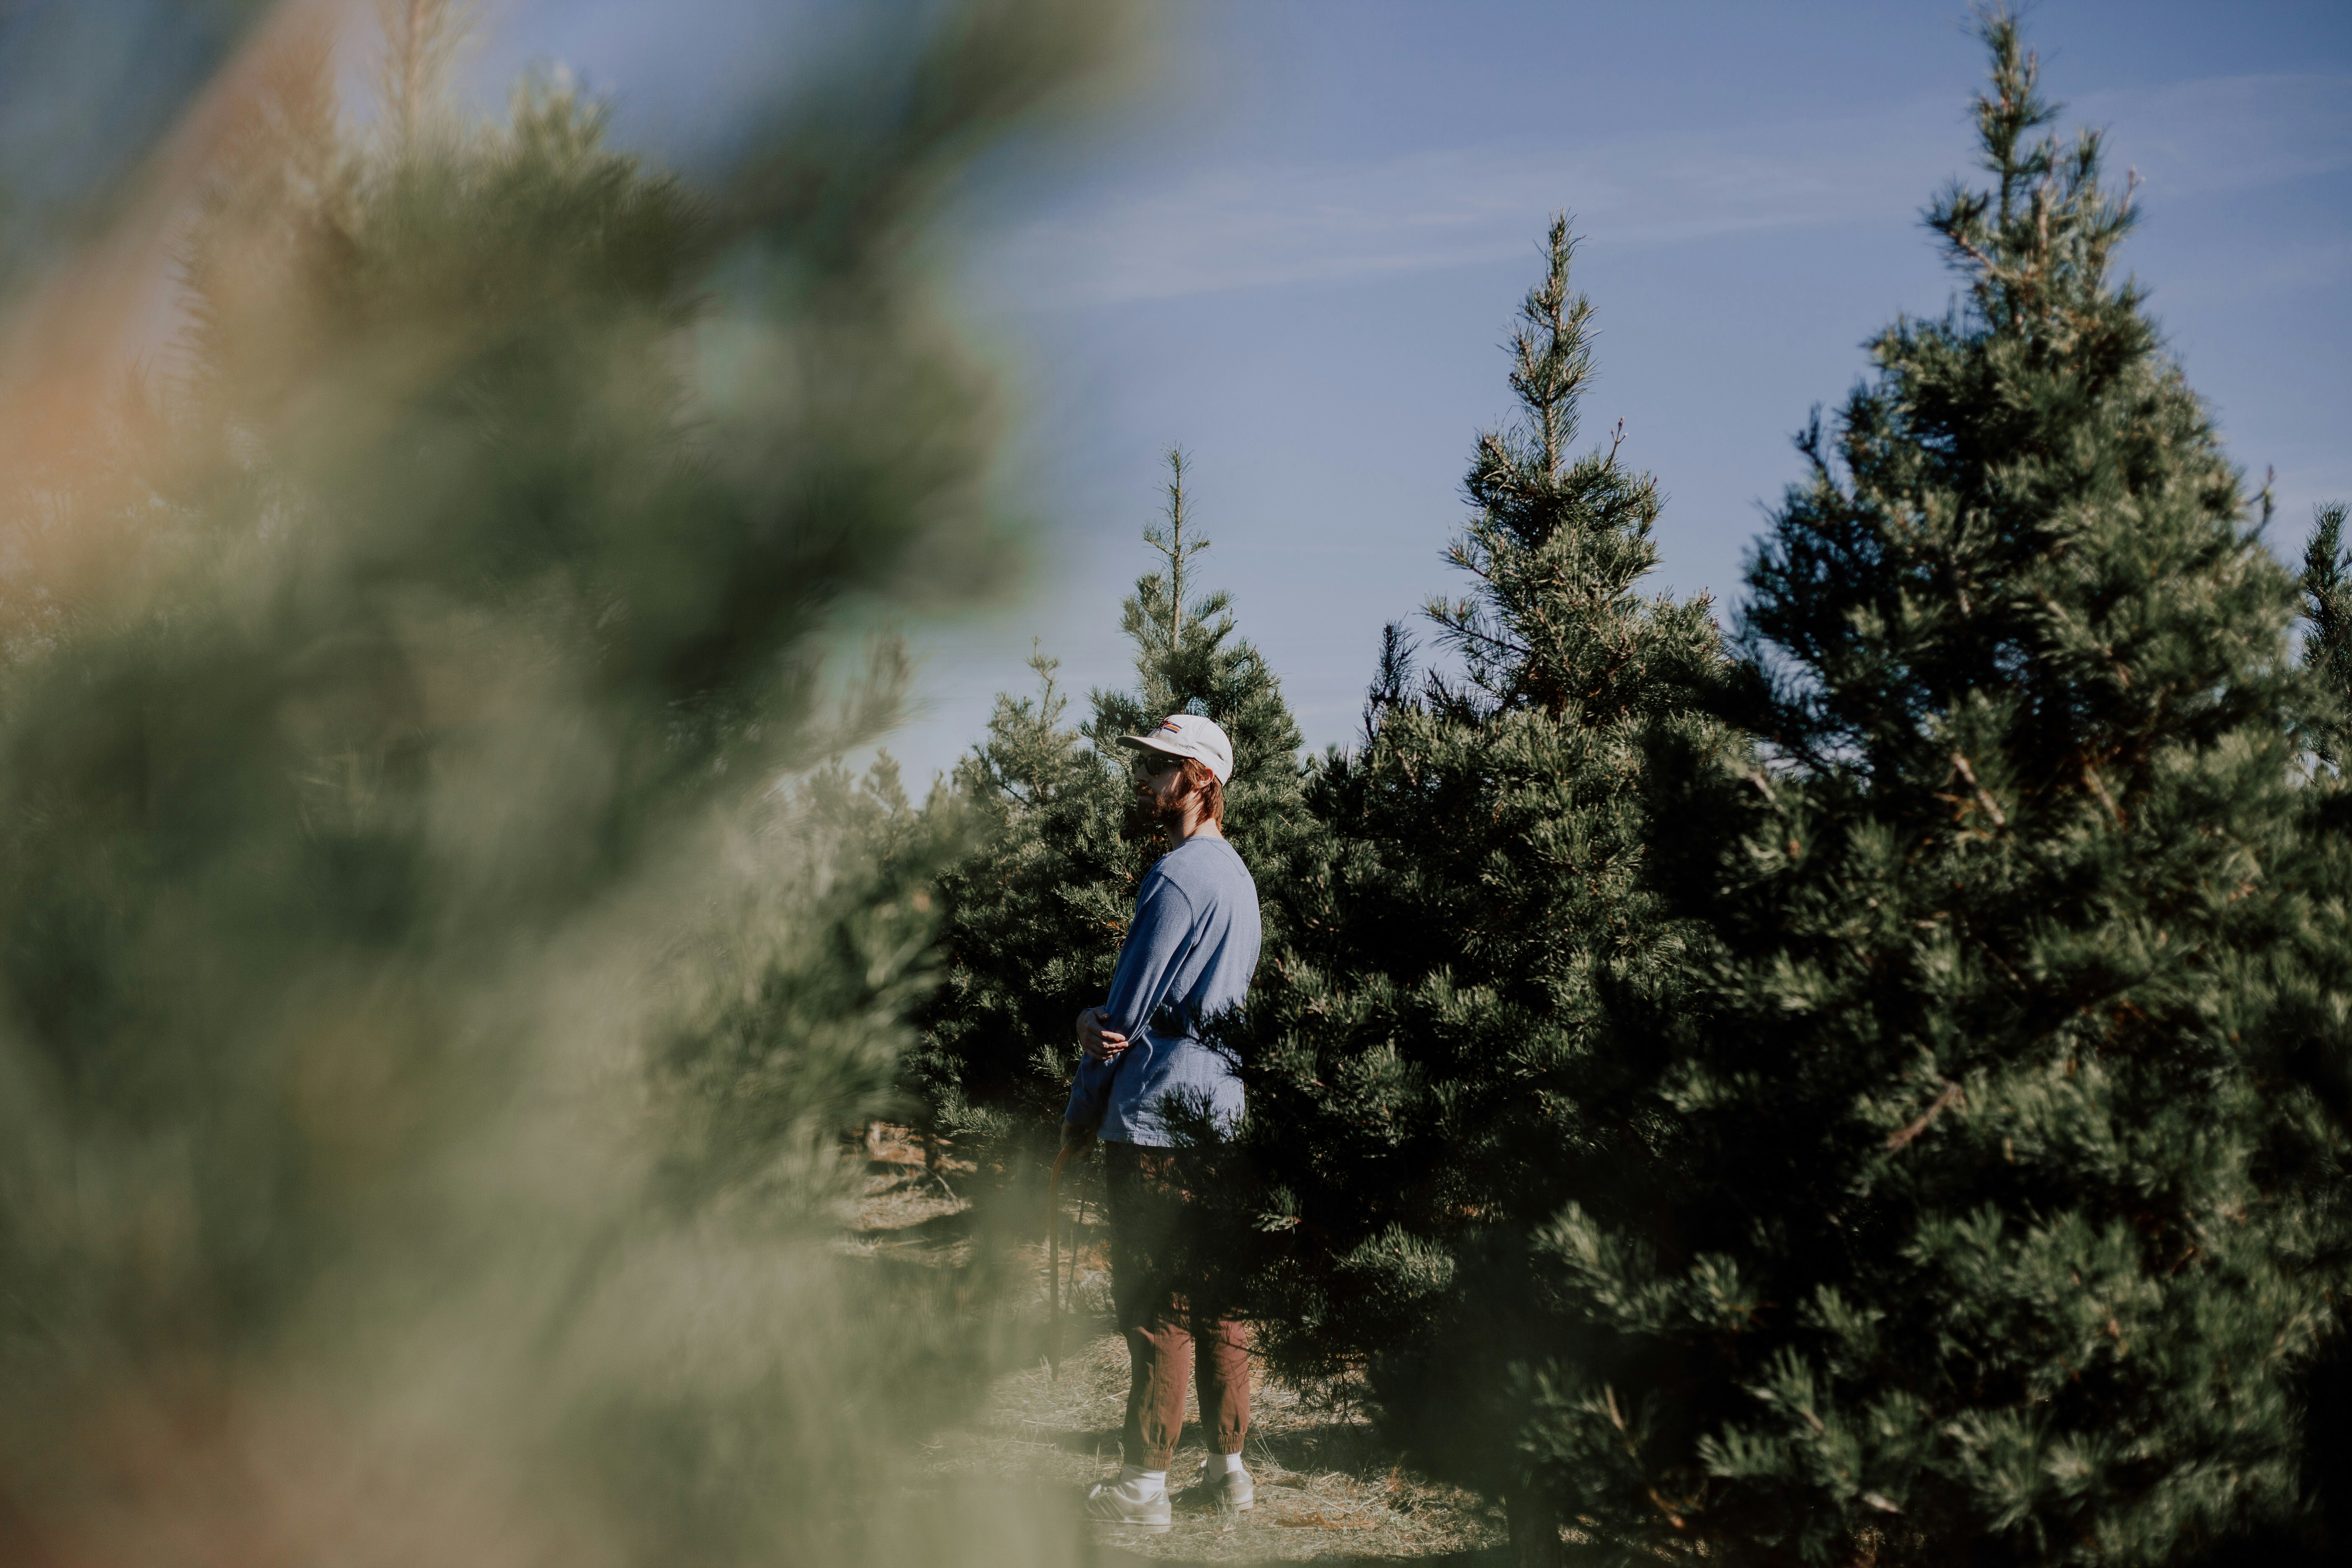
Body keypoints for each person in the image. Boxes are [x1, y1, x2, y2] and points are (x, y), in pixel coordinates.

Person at [1064, 712, 1263, 1529]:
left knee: (1158, 1304)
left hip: (1155, 1128)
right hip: (1221, 1122)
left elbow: (1122, 1022)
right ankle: (1230, 1470)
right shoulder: (1239, 879)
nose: (1144, 780)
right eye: (1144, 765)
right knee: (1221, 1302)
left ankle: (1144, 1486)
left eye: (1160, 767)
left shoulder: (1176, 879)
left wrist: (1081, 1104)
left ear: (1201, 782)